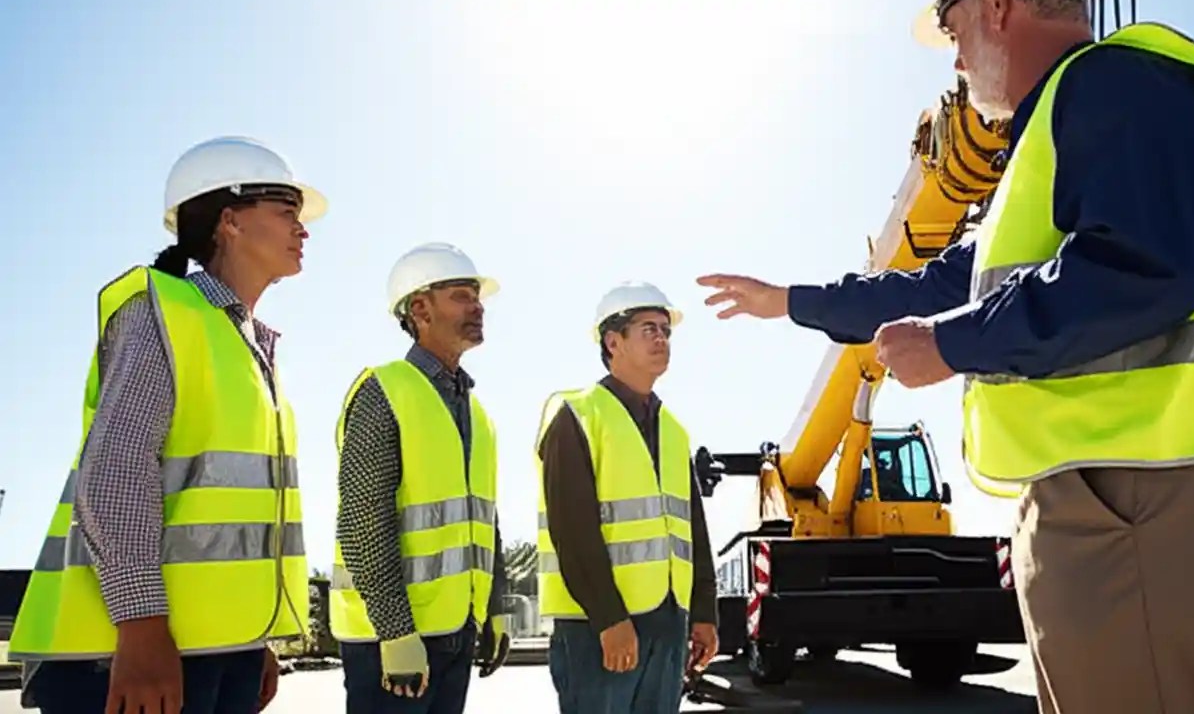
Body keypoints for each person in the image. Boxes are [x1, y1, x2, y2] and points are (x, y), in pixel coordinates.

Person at [697, 0, 1194, 712]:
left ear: (998, 7)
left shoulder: (1115, 80)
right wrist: (790, 300)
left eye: (952, 28)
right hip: (1118, 493)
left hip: (1141, 493)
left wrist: (950, 344)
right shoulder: (1053, 139)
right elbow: (938, 282)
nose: (955, 56)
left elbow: (1139, 267)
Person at [8, 135, 325, 713]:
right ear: (229, 221)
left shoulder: (247, 344)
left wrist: (251, 637)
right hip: (130, 656)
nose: (302, 230)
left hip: (210, 652)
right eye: (286, 213)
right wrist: (142, 628)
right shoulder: (164, 311)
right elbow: (116, 472)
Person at [329, 242, 510, 714]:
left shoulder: (475, 409)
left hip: (455, 631)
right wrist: (395, 631)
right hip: (391, 641)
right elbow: (363, 520)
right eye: (461, 296)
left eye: (477, 296)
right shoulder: (383, 391)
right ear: (420, 308)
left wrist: (496, 607)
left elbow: (484, 519)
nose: (477, 307)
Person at [534, 282, 720, 714]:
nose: (661, 339)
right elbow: (572, 529)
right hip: (596, 627)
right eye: (648, 329)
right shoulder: (576, 416)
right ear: (612, 341)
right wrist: (609, 618)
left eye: (665, 330)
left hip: (668, 624)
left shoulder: (673, 429)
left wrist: (705, 613)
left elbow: (695, 530)